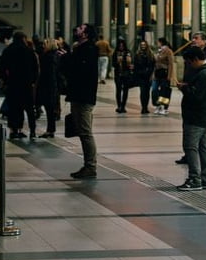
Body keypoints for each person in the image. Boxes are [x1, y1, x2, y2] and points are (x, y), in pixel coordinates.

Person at [62, 22, 102, 181]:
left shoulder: (89, 50)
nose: (76, 29)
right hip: (77, 95)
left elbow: (79, 70)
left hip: (84, 96)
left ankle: (90, 166)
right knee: (81, 130)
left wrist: (66, 58)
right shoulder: (80, 49)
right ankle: (88, 165)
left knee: (85, 132)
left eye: (79, 28)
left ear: (85, 34)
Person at [178, 43, 206, 189]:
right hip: (205, 115)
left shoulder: (204, 74)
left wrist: (184, 88)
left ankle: (195, 179)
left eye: (189, 62)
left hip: (195, 116)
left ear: (195, 59)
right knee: (203, 148)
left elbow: (197, 97)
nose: (189, 66)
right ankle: (204, 178)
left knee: (190, 147)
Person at [0, 31, 38, 142]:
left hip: (13, 84)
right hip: (26, 84)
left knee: (14, 108)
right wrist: (32, 81)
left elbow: (2, 68)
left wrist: (5, 81)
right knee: (29, 109)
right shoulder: (29, 51)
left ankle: (14, 130)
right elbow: (35, 68)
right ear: (23, 39)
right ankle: (32, 131)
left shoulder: (7, 51)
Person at [35, 35, 62, 139]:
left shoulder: (48, 57)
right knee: (50, 109)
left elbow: (48, 74)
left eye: (45, 44)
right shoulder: (55, 56)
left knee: (49, 109)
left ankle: (50, 130)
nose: (43, 46)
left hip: (48, 86)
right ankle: (50, 130)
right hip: (52, 86)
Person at [132, 35, 156, 114]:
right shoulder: (137, 55)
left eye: (144, 45)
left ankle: (146, 107)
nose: (143, 46)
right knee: (143, 92)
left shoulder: (150, 55)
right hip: (141, 76)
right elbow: (136, 66)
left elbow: (153, 65)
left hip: (148, 76)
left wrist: (151, 73)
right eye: (142, 45)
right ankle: (143, 107)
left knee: (147, 92)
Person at [111, 34, 133, 113]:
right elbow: (113, 64)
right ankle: (119, 105)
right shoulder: (115, 53)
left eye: (122, 45)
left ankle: (123, 106)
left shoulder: (128, 52)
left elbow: (131, 63)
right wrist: (117, 62)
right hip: (118, 74)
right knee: (118, 90)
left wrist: (129, 64)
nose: (121, 47)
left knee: (125, 90)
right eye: (120, 45)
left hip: (126, 74)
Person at [152, 38, 175, 112]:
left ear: (161, 43)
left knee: (164, 91)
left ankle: (164, 107)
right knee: (154, 90)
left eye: (158, 42)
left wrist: (169, 75)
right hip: (157, 73)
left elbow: (171, 64)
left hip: (164, 72)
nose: (157, 44)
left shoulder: (168, 51)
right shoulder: (158, 51)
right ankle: (158, 104)